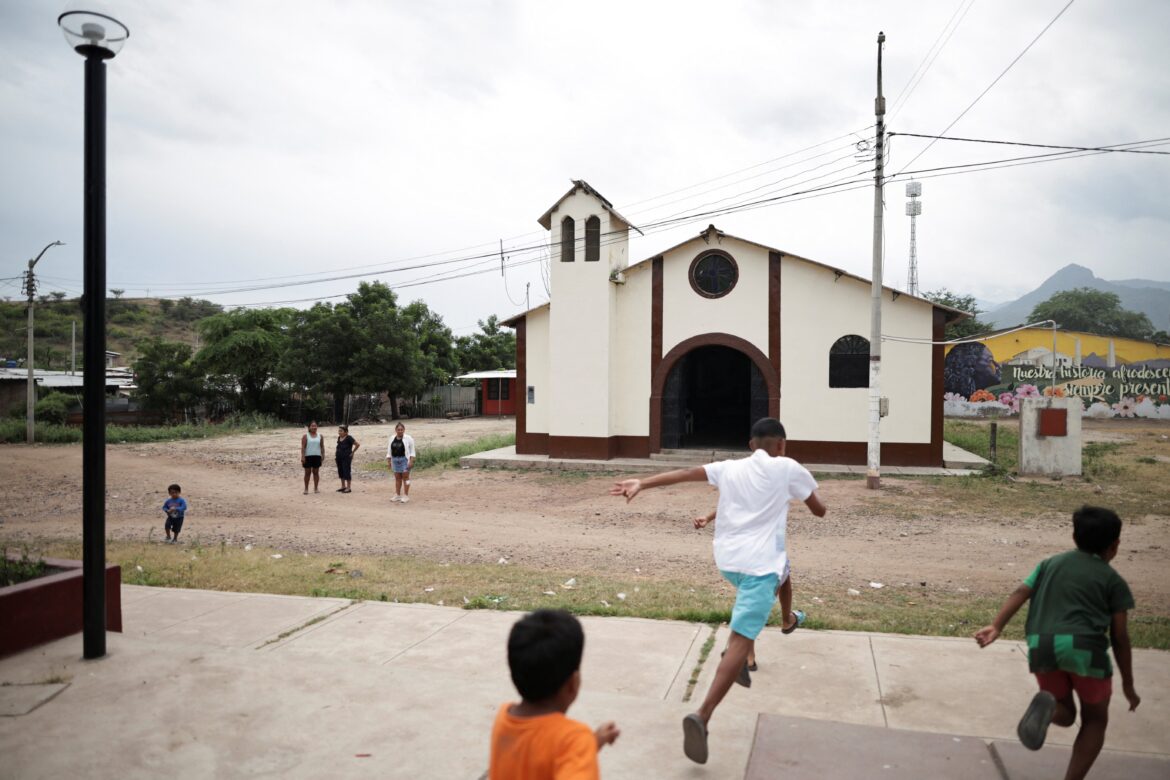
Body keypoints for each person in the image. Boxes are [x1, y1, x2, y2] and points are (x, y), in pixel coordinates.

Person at [610, 417, 825, 764]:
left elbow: (685, 474)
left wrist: (643, 483)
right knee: (742, 634)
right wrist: (802, 494)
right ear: (781, 445)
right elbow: (820, 511)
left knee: (765, 590)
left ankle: (743, 653)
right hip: (759, 565)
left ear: (751, 444)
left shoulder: (729, 469)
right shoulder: (788, 467)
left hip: (728, 562)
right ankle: (703, 714)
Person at [974, 506, 1140, 780]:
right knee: (1095, 719)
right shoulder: (1112, 581)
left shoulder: (1049, 564)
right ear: (1115, 545)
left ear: (1074, 537)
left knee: (1066, 712)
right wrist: (1128, 684)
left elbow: (1021, 591)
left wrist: (997, 625)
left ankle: (1049, 710)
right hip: (1086, 650)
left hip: (1043, 646)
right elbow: (1120, 637)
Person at [488, 609, 620, 779]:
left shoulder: (504, 718)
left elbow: (540, 756)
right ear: (573, 684)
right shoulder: (574, 740)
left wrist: (591, 744)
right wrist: (582, 747)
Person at [696, 507, 806, 674]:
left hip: (754, 540)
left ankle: (786, 620)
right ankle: (748, 655)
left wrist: (708, 517)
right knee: (758, 599)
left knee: (782, 575)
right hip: (762, 541)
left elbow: (734, 500)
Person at [385, 422, 416, 503]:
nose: (400, 431)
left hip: (404, 460)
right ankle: (397, 495)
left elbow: (412, 451)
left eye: (401, 430)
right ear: (396, 430)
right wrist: (389, 461)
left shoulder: (408, 438)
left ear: (404, 430)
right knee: (397, 478)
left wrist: (411, 461)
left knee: (406, 477)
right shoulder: (392, 438)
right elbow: (389, 451)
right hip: (395, 460)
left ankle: (406, 495)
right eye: (398, 430)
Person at [300, 421, 324, 495]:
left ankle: (316, 488)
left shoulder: (320, 436)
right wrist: (303, 456)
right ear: (309, 427)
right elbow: (303, 447)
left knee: (316, 473)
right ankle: (306, 489)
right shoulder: (305, 436)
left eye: (315, 426)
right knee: (307, 473)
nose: (314, 427)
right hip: (308, 456)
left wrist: (323, 455)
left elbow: (322, 446)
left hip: (317, 456)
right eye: (312, 426)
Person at [335, 425, 360, 493]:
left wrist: (353, 452)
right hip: (339, 457)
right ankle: (343, 486)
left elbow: (357, 444)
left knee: (346, 471)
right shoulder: (339, 438)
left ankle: (348, 487)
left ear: (346, 432)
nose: (339, 432)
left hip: (346, 457)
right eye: (339, 431)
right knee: (341, 471)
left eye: (341, 431)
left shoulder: (349, 438)